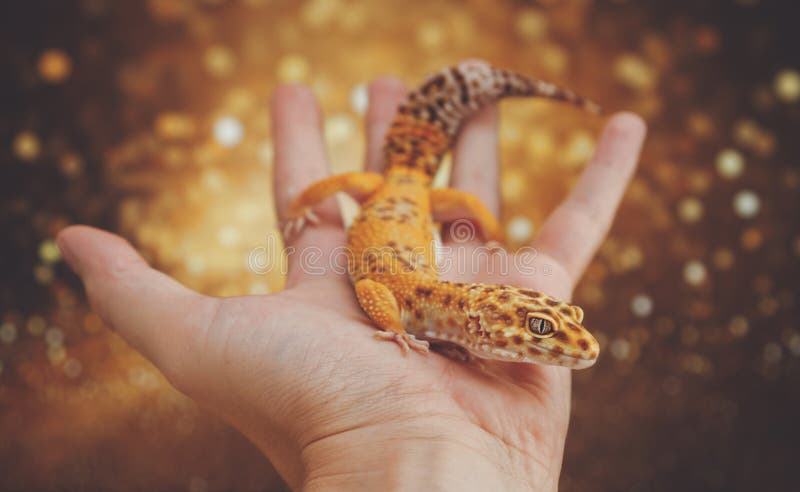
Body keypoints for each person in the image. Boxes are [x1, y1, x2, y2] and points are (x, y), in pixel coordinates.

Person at [57, 70, 646, 490]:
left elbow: (406, 272)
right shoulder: (415, 303)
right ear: (482, 321)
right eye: (542, 328)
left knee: (457, 196)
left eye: (552, 327)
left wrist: (480, 227)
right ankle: (470, 92)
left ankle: (476, 92)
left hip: (413, 198)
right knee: (356, 183)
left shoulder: (448, 311)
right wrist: (307, 209)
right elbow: (371, 292)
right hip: (394, 193)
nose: (560, 342)